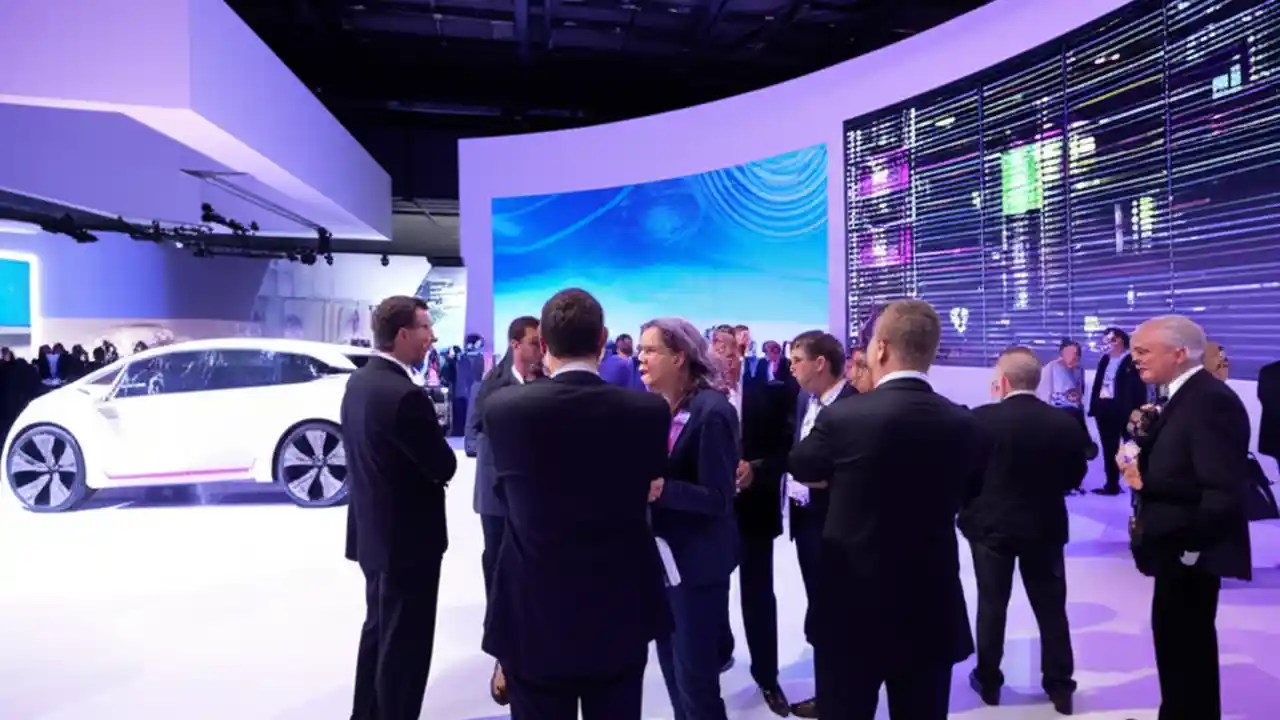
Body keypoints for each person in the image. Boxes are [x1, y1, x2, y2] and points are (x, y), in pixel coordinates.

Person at [480, 289, 672, 720]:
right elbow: (649, 483)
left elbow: (503, 494)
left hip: (534, 612)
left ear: (544, 345)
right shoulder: (647, 412)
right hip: (620, 610)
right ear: (603, 338)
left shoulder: (504, 409)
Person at [790, 299, 982, 720]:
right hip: (930, 605)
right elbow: (973, 493)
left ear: (880, 349)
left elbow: (803, 464)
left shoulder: (845, 417)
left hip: (850, 607)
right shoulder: (963, 422)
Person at [1121, 315, 1252, 720]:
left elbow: (1222, 490)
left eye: (1143, 351)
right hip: (1174, 550)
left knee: (1187, 654)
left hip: (1188, 553)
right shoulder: (1177, 395)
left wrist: (1191, 550)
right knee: (1176, 652)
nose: (1134, 359)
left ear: (1179, 354)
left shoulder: (1209, 400)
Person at [343, 295, 458, 720]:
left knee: (378, 635)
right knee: (404, 650)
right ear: (404, 333)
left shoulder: (360, 383)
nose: (432, 337)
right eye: (426, 328)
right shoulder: (404, 396)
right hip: (408, 544)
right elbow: (442, 465)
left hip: (373, 536)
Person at [962, 347, 1088, 715]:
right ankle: (1060, 685)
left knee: (991, 605)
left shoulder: (980, 420)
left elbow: (965, 473)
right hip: (1045, 527)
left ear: (1000, 382)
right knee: (1051, 608)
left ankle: (988, 680)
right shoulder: (1064, 422)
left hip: (990, 527)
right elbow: (1074, 476)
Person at [641, 317, 738, 720]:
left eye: (651, 351)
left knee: (696, 683)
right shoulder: (658, 407)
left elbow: (719, 497)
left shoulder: (712, 412)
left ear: (679, 357)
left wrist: (663, 489)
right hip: (663, 563)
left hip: (696, 567)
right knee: (673, 672)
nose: (640, 359)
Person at [710, 326, 793, 716]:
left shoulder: (767, 394)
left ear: (741, 353)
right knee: (711, 590)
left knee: (758, 595)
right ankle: (719, 652)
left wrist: (755, 470)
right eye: (716, 349)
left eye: (728, 350)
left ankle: (767, 675)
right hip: (710, 514)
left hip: (755, 512)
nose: (723, 357)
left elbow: (786, 453)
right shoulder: (700, 399)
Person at [464, 314, 543, 705]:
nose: (539, 349)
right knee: (499, 571)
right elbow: (471, 437)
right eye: (533, 342)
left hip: (539, 498)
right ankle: (503, 656)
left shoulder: (549, 385)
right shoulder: (490, 385)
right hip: (496, 500)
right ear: (515, 344)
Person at [782, 330, 857, 719]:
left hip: (836, 525)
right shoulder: (803, 399)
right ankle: (830, 692)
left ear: (820, 363)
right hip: (805, 520)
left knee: (836, 614)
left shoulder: (853, 405)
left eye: (797, 359)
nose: (790, 366)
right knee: (821, 611)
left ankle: (837, 699)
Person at [1088, 327, 1148, 495]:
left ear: (1122, 340)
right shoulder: (1105, 360)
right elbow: (1098, 385)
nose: (1109, 343)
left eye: (1113, 339)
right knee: (1109, 449)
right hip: (1105, 408)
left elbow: (1139, 387)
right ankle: (1112, 484)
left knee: (1131, 447)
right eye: (1106, 340)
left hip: (1126, 409)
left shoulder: (1131, 360)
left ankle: (1136, 483)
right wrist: (1094, 407)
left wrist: (1138, 410)